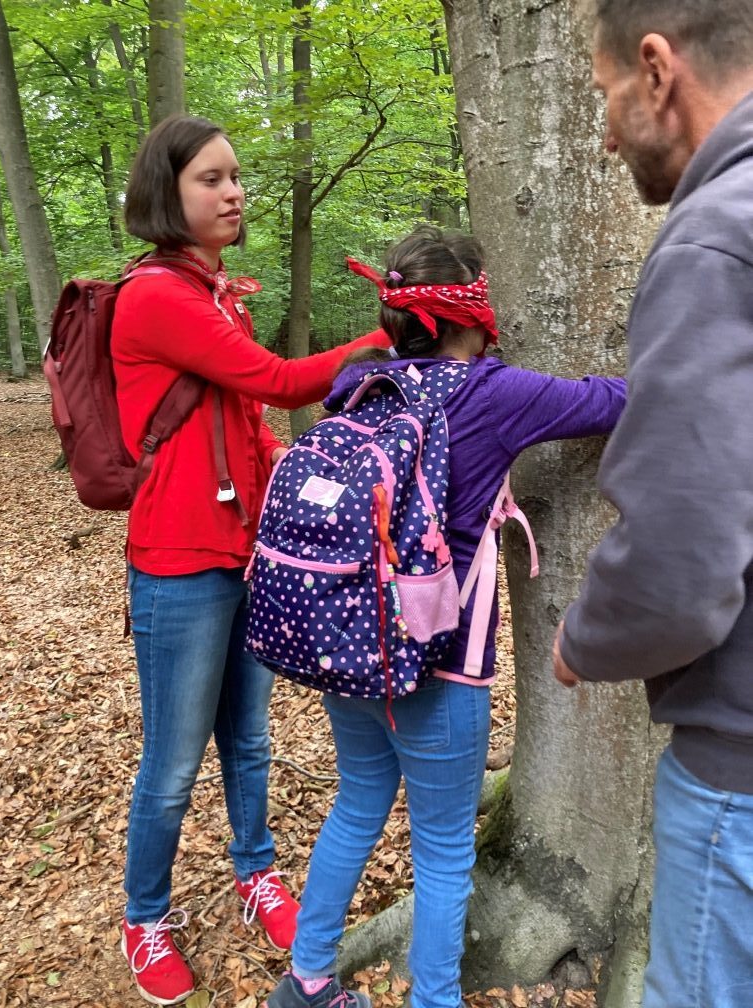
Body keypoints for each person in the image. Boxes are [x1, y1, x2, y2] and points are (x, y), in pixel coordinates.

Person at [262, 224, 627, 1008]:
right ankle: (435, 1000)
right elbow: (611, 402)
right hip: (439, 664)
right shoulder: (491, 393)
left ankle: (307, 978)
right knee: (443, 849)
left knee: (357, 802)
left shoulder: (360, 384)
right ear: (473, 311)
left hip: (347, 641)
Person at [110, 113, 391, 1006]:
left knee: (253, 742)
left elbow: (244, 422)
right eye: (211, 179)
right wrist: (388, 337)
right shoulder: (157, 295)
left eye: (236, 177)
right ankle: (144, 917)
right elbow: (275, 380)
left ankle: (255, 874)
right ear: (168, 193)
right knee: (172, 765)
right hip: (179, 561)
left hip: (243, 549)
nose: (234, 192)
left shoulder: (215, 288)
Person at [551, 3, 753, 1006]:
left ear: (656, 69)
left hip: (743, 775)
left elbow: (681, 563)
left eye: (604, 99)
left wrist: (586, 637)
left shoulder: (712, 242)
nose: (603, 132)